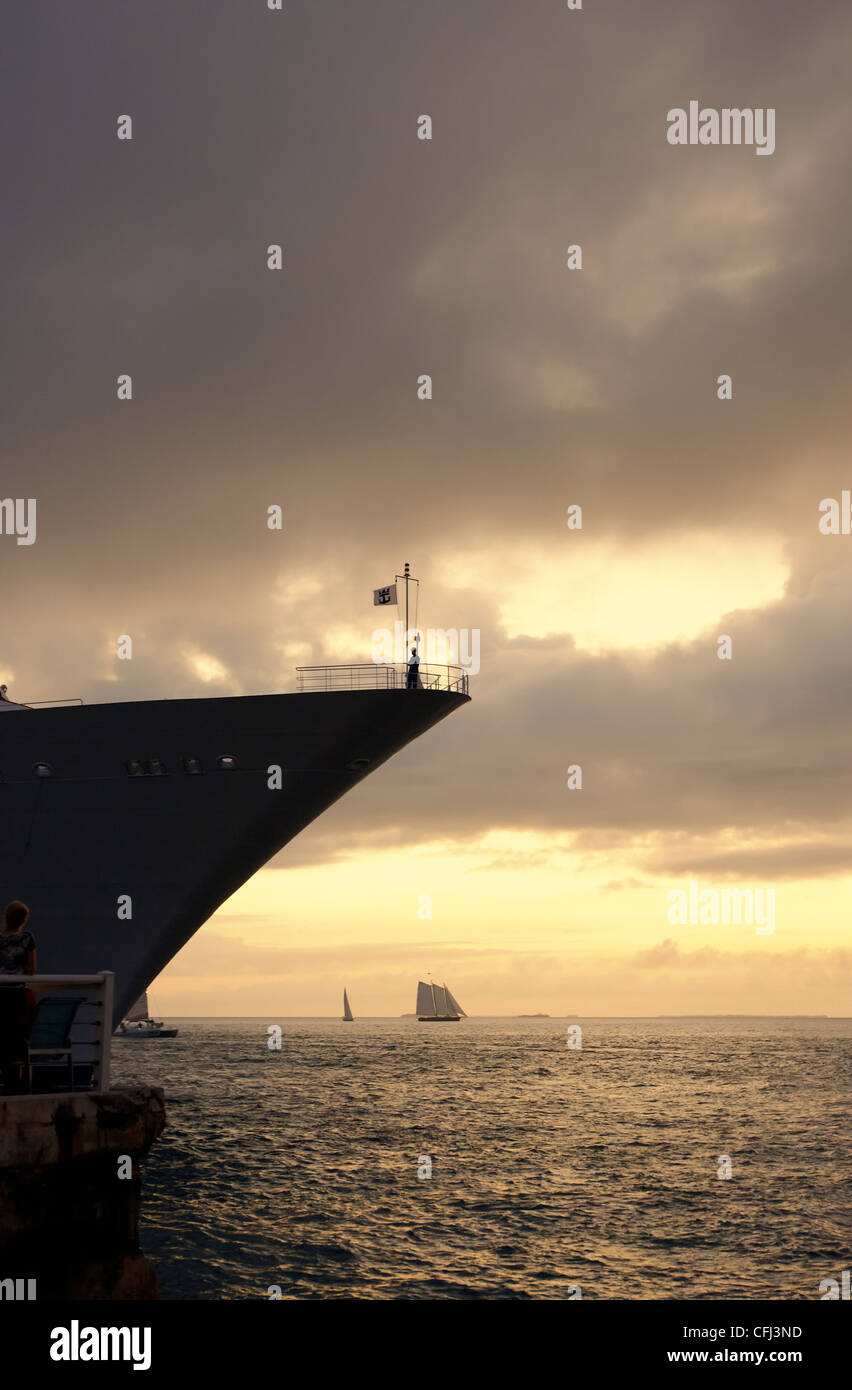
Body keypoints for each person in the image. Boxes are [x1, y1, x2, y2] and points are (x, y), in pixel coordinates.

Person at [0, 901, 37, 1094]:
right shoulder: (27, 937)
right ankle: (16, 1081)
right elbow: (31, 970)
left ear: (6, 917)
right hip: (16, 994)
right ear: (23, 920)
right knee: (18, 1036)